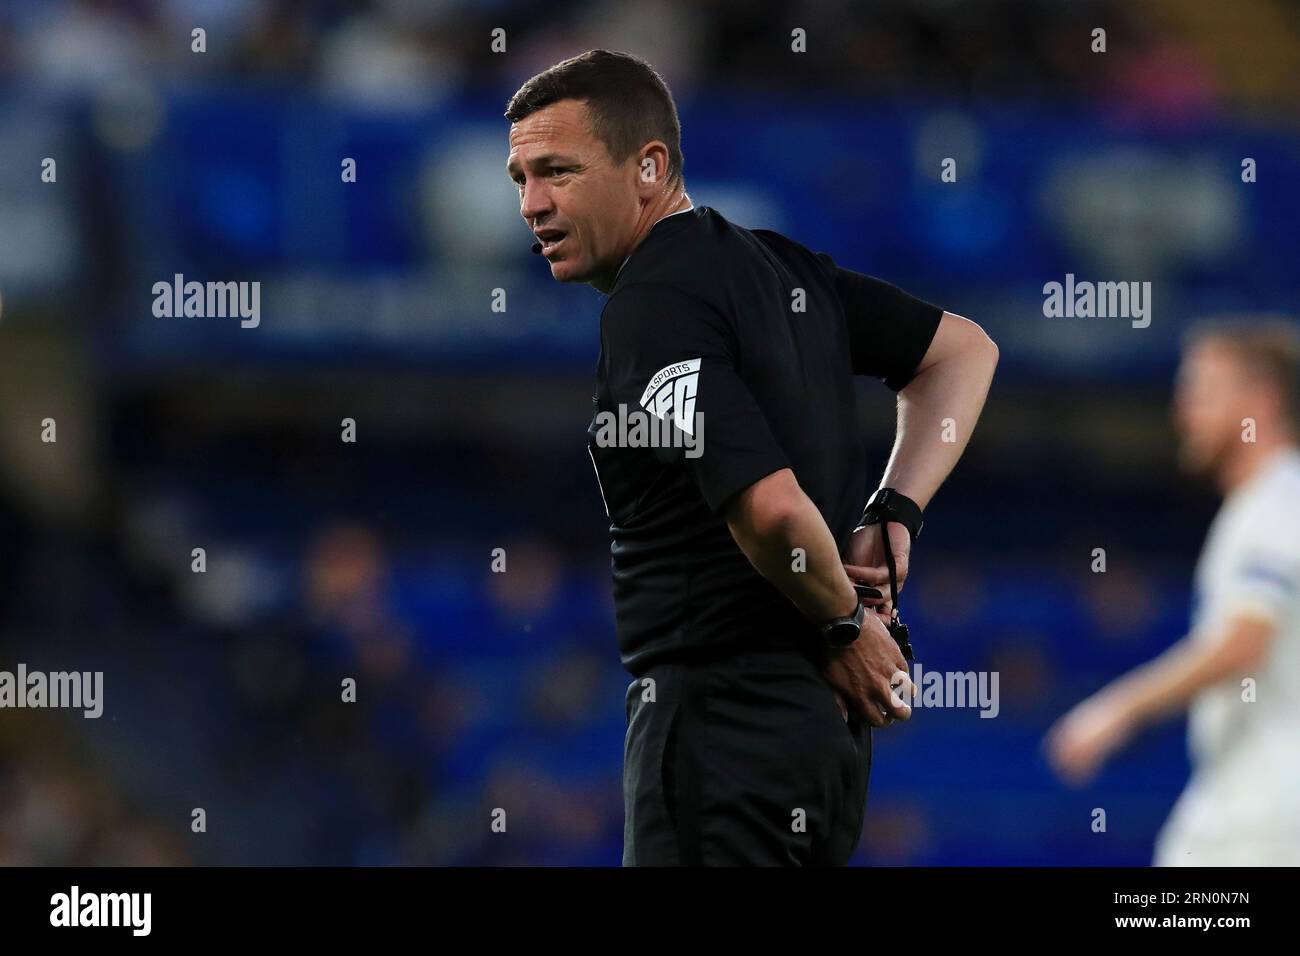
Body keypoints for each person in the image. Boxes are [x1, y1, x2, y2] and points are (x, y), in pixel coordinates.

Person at [505, 50, 997, 865]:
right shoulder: (784, 270)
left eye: (557, 171)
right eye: (520, 178)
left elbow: (769, 509)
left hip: (721, 731)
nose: (532, 203)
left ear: (648, 167)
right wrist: (895, 509)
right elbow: (964, 353)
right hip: (816, 747)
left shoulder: (653, 303)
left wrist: (845, 628)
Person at [1048, 319, 1300, 866]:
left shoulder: (1278, 502)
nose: (1183, 411)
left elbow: (1243, 643)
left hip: (1263, 814)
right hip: (1244, 801)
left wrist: (1117, 709)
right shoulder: (1263, 504)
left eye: (1202, 392)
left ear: (1258, 400)